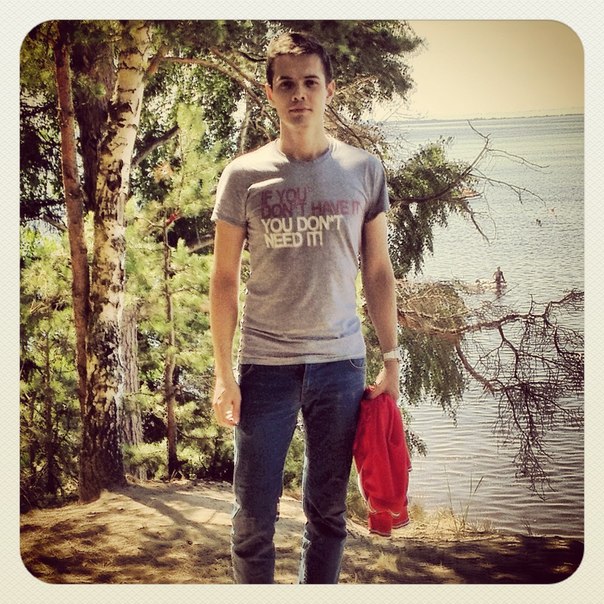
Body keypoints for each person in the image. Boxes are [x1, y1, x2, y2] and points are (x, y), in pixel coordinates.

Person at [209, 31, 400, 584]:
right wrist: (223, 374)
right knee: (251, 519)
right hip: (265, 366)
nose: (299, 94)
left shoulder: (364, 170)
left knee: (329, 517)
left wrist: (391, 358)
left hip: (340, 365)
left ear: (329, 89)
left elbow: (378, 271)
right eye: (287, 84)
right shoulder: (243, 175)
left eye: (310, 83)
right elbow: (223, 279)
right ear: (270, 92)